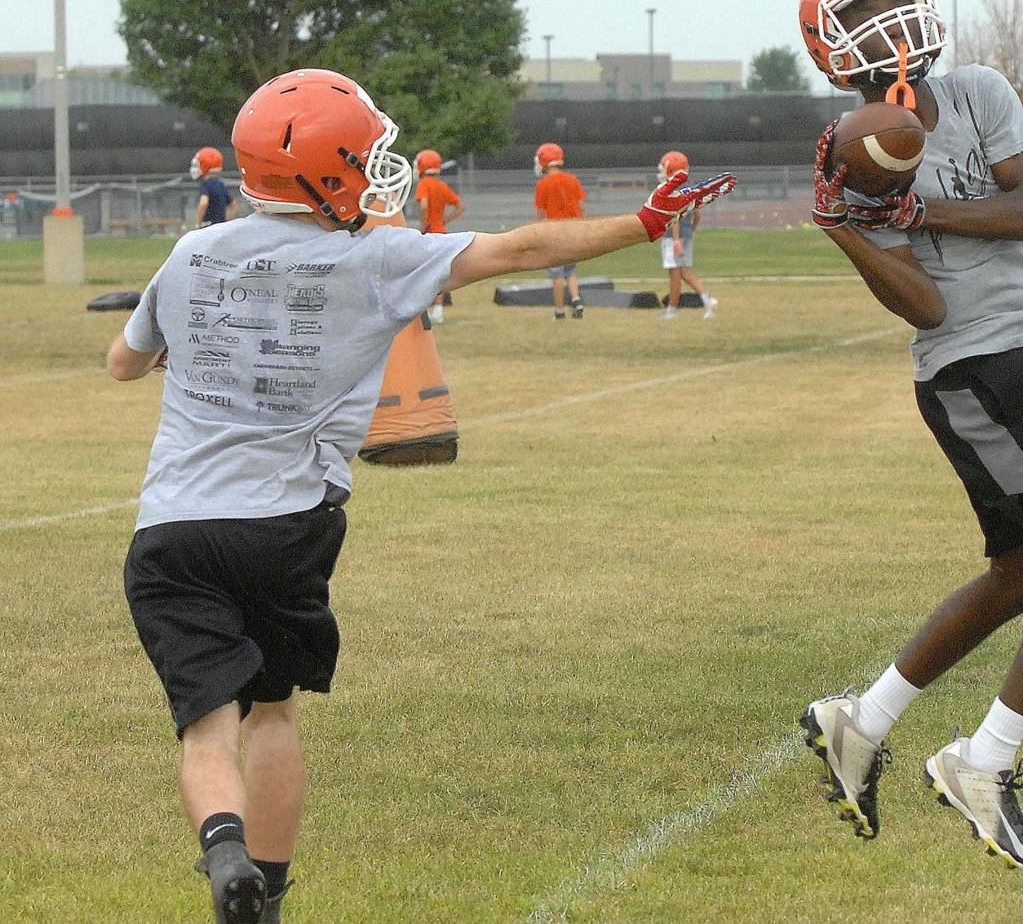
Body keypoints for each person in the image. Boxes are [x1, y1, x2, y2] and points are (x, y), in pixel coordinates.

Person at [107, 68, 735, 924]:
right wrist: (645, 222)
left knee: (206, 729)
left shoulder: (190, 253)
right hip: (285, 524)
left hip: (173, 526)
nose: (376, 173)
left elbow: (124, 361)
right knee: (273, 715)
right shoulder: (375, 258)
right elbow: (520, 250)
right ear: (324, 175)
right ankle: (269, 895)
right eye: (362, 159)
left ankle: (223, 847)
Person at [795, 0, 1023, 878]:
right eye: (864, 9)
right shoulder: (849, 153)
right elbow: (925, 308)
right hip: (982, 372)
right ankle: (980, 763)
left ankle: (859, 723)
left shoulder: (979, 90)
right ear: (829, 43)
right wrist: (842, 227)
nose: (890, 19)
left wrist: (921, 213)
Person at [656, 151, 718, 320]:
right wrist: (690, 231)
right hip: (686, 234)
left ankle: (673, 309)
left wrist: (676, 240)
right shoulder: (687, 189)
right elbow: (697, 215)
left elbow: (674, 217)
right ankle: (706, 299)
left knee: (675, 273)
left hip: (673, 237)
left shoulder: (671, 191)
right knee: (684, 271)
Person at [532, 142, 588, 318]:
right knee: (570, 270)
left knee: (556, 274)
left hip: (554, 232)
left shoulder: (543, 184)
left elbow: (541, 213)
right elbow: (581, 206)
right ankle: (576, 300)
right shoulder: (573, 180)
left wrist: (535, 231)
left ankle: (559, 310)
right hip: (573, 229)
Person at [413, 149, 465, 323]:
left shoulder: (423, 184)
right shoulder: (442, 185)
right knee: (439, 273)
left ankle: (424, 309)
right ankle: (438, 310)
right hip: (441, 232)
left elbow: (424, 206)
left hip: (429, 233)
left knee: (425, 273)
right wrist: (443, 220)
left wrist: (423, 227)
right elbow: (460, 206)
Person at [191, 147, 238, 228]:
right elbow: (234, 206)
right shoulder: (220, 184)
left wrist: (198, 224)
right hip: (219, 228)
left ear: (205, 165)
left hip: (208, 227)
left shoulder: (205, 184)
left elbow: (203, 203)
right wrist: (225, 224)